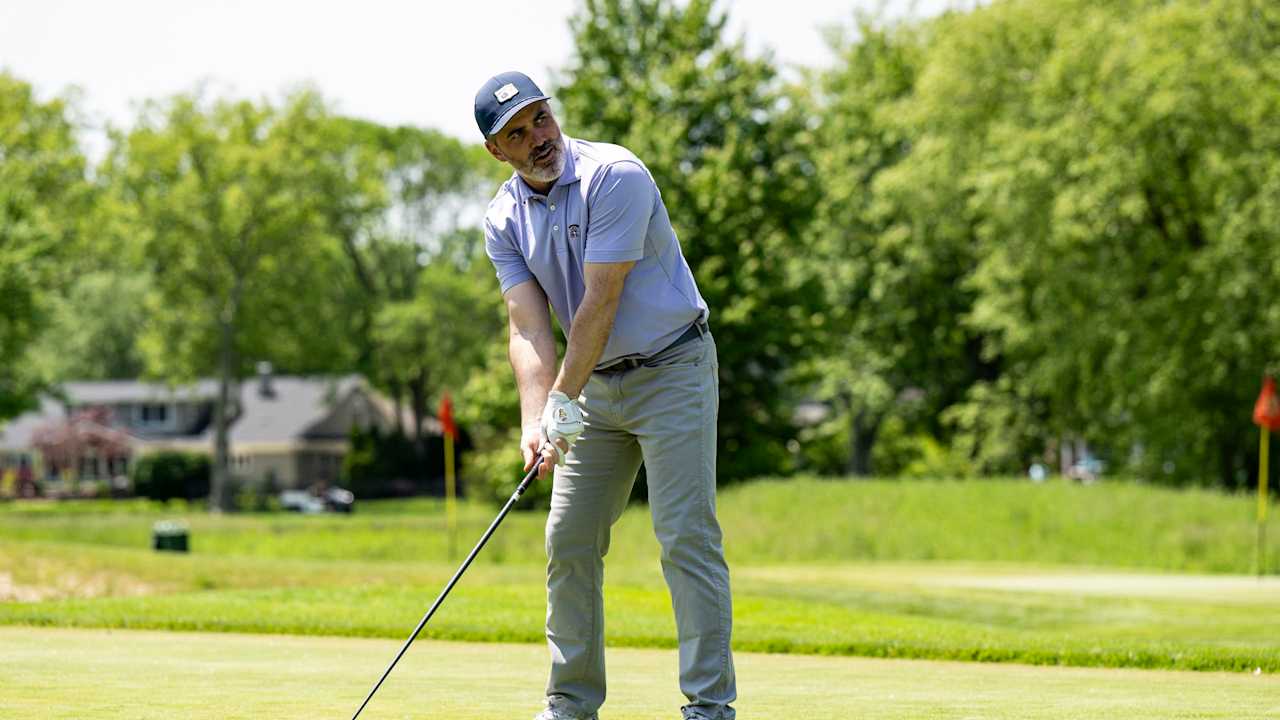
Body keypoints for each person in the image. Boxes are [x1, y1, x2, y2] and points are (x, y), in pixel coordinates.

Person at [475, 71, 736, 720]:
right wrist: (536, 418)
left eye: (541, 117)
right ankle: (570, 706)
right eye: (518, 131)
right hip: (595, 389)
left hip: (672, 368)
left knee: (684, 536)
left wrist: (563, 399)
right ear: (495, 150)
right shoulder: (502, 218)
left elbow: (600, 301)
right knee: (568, 538)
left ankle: (708, 708)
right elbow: (529, 327)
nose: (539, 136)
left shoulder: (615, 177)